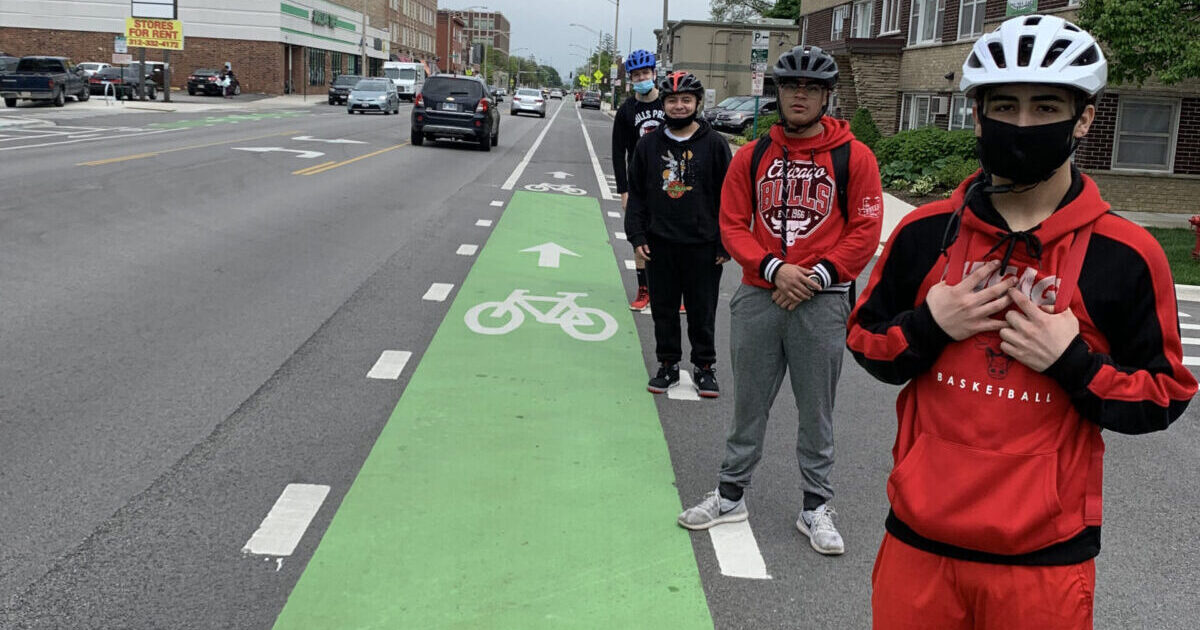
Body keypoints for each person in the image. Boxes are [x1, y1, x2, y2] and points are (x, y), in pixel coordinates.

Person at [846, 15, 1196, 628]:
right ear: (977, 115)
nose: (1024, 124)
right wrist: (929, 327)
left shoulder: (1127, 254)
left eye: (1047, 106)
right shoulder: (926, 232)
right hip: (919, 546)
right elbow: (865, 342)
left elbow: (1162, 397)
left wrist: (1073, 364)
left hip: (1044, 564)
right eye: (1005, 105)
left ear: (1083, 118)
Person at [677, 45, 883, 557]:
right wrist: (774, 269)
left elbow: (864, 230)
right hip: (759, 294)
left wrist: (813, 275)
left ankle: (816, 505)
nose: (800, 95)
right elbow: (731, 225)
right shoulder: (750, 157)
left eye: (811, 88)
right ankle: (729, 494)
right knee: (748, 405)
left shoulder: (854, 156)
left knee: (818, 410)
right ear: (778, 92)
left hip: (821, 300)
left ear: (826, 97)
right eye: (792, 86)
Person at [624, 71, 731, 397]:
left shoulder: (715, 145)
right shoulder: (648, 145)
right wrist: (637, 235)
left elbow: (730, 195)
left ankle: (705, 367)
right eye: (672, 100)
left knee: (702, 311)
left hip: (703, 244)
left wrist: (725, 240)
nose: (679, 106)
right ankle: (668, 364)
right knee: (664, 310)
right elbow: (638, 192)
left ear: (697, 103)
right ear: (664, 105)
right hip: (661, 242)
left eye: (686, 100)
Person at [612, 49, 666, 312]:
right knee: (639, 237)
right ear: (631, 79)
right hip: (639, 184)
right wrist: (623, 190)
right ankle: (644, 288)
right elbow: (617, 151)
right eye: (637, 75)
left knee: (670, 236)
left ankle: (672, 290)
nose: (642, 78)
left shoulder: (667, 103)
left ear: (654, 74)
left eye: (646, 73)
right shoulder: (627, 110)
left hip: (669, 180)